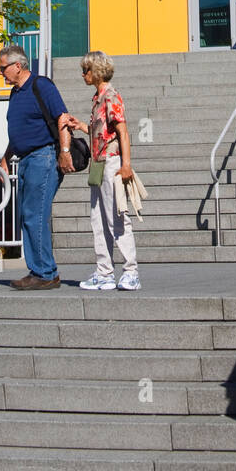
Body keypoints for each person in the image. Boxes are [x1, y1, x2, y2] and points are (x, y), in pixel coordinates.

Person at [0, 44, 74, 290]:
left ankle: (44, 272)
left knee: (35, 214)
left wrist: (64, 153)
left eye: (3, 68)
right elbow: (21, 129)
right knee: (28, 214)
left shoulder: (41, 86)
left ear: (17, 66)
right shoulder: (16, 93)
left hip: (44, 157)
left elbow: (62, 118)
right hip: (26, 160)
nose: (1, 73)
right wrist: (6, 156)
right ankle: (42, 270)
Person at [65, 50, 140, 291]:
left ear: (96, 71)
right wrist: (82, 126)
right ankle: (104, 271)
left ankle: (131, 271)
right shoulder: (98, 98)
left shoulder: (111, 97)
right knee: (98, 219)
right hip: (98, 163)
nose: (83, 74)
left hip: (111, 163)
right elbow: (102, 131)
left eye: (85, 70)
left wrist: (126, 165)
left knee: (117, 217)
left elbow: (122, 132)